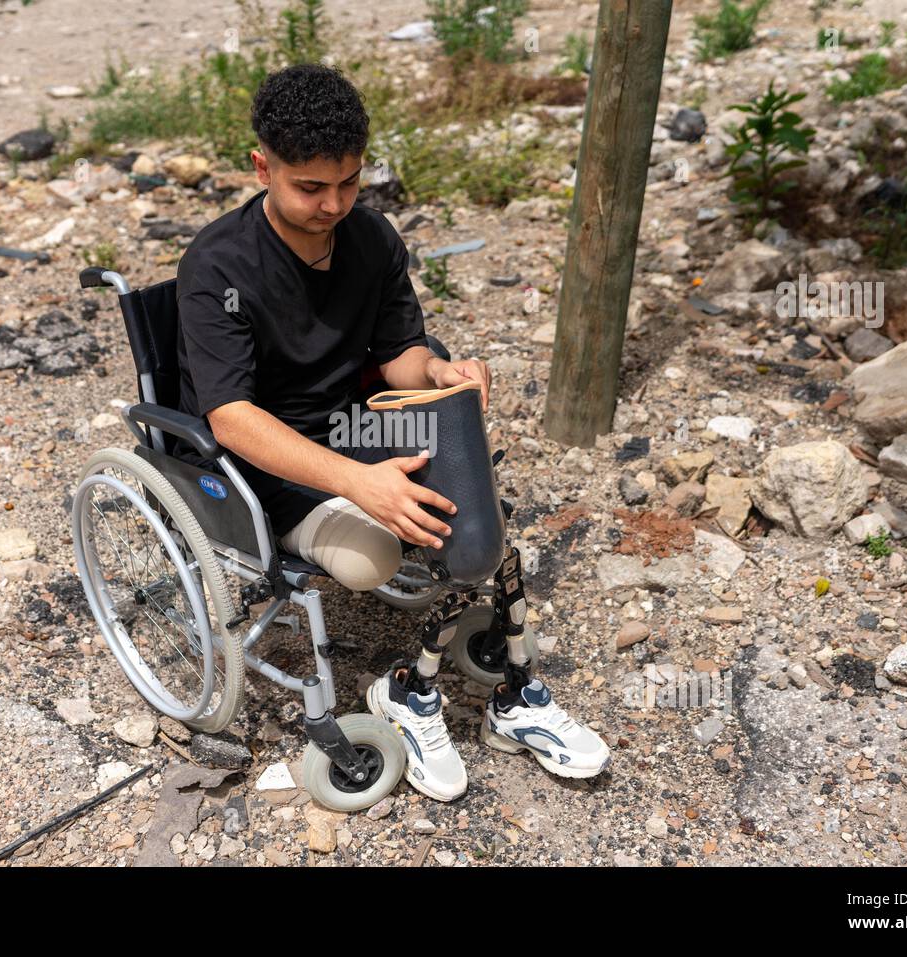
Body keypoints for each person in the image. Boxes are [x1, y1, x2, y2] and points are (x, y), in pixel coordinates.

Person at [175, 63, 611, 802]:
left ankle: (465, 691)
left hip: (359, 425)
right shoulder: (217, 266)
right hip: (267, 463)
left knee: (482, 523)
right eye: (310, 187)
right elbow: (230, 417)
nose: (333, 204)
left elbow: (398, 359)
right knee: (375, 553)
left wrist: (438, 373)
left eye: (349, 183)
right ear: (262, 165)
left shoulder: (369, 238)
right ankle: (412, 692)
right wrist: (355, 483)